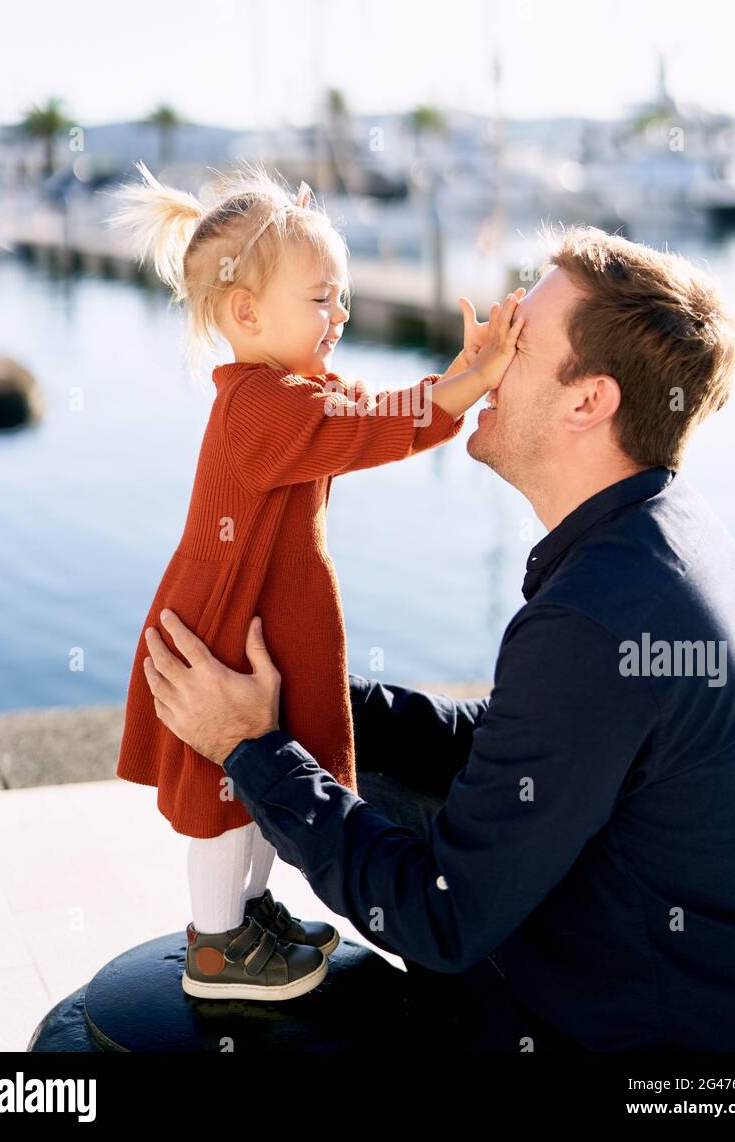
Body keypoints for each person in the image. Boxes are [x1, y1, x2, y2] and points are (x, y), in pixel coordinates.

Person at [144, 225, 735, 1051]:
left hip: (661, 1044)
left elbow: (443, 918)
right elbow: (510, 738)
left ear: (587, 400)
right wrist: (313, 702)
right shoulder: (658, 531)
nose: (489, 347)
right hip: (695, 979)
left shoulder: (599, 620)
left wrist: (251, 747)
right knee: (360, 760)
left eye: (518, 339)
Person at [111, 159, 525, 1002]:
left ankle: (251, 915)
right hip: (228, 633)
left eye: (339, 296)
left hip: (261, 619)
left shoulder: (290, 391)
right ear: (246, 311)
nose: (340, 313)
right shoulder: (259, 409)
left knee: (265, 781)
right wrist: (468, 386)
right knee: (230, 798)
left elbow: (366, 418)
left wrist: (452, 385)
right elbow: (371, 428)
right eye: (321, 299)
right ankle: (217, 949)